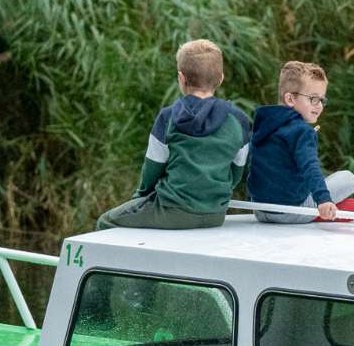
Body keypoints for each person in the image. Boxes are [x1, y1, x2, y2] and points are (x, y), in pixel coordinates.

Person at [97, 39, 252, 230]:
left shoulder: (167, 117)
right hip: (215, 214)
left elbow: (152, 169)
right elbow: (237, 172)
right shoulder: (240, 120)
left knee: (105, 221)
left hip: (172, 210)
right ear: (220, 78)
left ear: (181, 78)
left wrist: (140, 198)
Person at [247, 60, 354, 223]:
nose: (319, 106)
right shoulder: (301, 130)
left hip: (260, 211)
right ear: (290, 99)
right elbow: (310, 166)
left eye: (322, 100)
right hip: (291, 212)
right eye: (313, 99)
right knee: (348, 178)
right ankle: (322, 211)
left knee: (311, 181)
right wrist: (323, 199)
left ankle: (325, 207)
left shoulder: (263, 124)